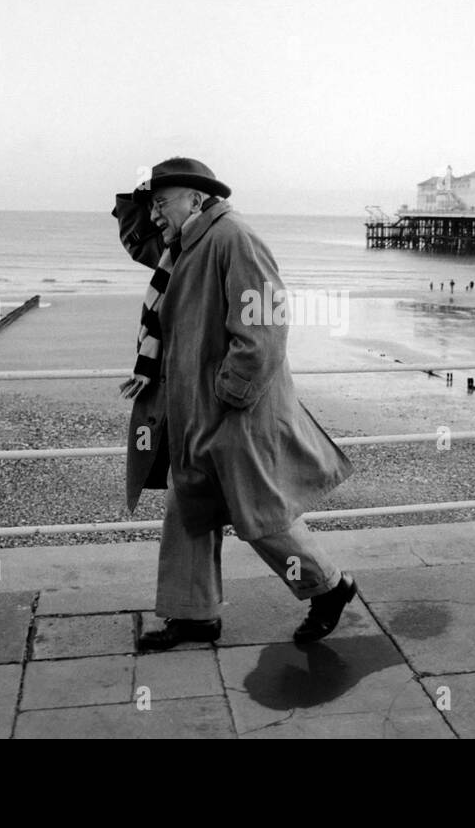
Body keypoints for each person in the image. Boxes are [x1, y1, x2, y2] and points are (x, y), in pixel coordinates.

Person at [111, 156, 358, 651]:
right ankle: (193, 616)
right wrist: (145, 203)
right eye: (154, 204)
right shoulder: (184, 246)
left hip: (233, 413)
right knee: (188, 510)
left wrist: (228, 397)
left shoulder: (232, 239)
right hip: (193, 412)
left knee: (260, 515)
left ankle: (330, 587)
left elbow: (264, 330)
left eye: (163, 203)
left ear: (197, 199)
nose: (156, 215)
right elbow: (139, 237)